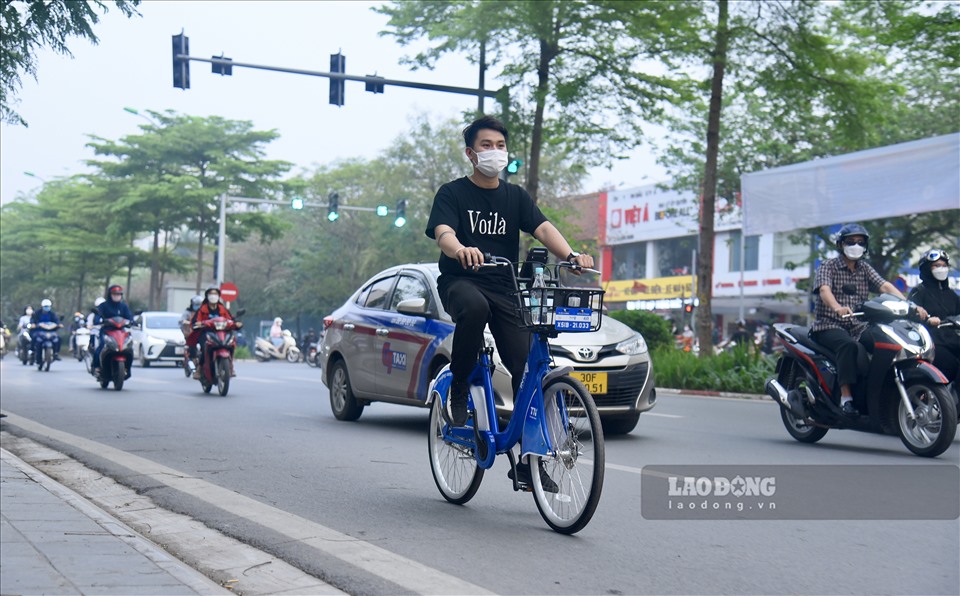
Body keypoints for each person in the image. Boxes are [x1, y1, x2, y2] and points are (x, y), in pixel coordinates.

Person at [425, 115, 594, 490]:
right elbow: (444, 233)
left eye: (500, 146)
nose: (495, 152)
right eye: (486, 146)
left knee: (526, 369)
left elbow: (544, 228)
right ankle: (459, 387)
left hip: (506, 288)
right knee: (475, 308)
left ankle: (528, 462)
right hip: (462, 280)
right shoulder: (452, 193)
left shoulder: (514, 196)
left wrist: (570, 255)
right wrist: (461, 250)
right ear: (471, 153)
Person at [809, 223, 926, 416]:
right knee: (849, 346)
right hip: (829, 325)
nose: (855, 246)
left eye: (860, 242)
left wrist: (910, 306)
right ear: (840, 245)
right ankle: (846, 398)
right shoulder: (828, 266)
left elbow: (885, 287)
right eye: (850, 242)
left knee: (887, 344)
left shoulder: (864, 268)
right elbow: (824, 290)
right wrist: (837, 307)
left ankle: (880, 392)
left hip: (858, 326)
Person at [909, 249, 960, 383]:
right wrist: (927, 320)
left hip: (952, 340)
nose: (941, 269)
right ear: (926, 269)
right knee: (949, 363)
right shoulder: (918, 292)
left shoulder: (952, 295)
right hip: (931, 343)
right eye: (936, 266)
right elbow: (910, 315)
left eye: (944, 266)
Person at [187, 286, 240, 378]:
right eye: (211, 294)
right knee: (205, 346)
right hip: (206, 333)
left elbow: (230, 319)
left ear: (218, 296)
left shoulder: (222, 309)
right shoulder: (202, 309)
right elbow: (195, 321)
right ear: (207, 296)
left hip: (222, 333)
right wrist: (198, 324)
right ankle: (199, 369)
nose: (213, 296)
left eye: (215, 294)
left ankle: (231, 366)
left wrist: (236, 324)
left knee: (231, 343)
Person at [92, 285, 134, 377]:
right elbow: (98, 317)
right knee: (101, 346)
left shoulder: (123, 306)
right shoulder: (103, 306)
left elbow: (129, 317)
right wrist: (99, 320)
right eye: (114, 294)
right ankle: (97, 367)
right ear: (110, 295)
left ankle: (128, 368)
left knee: (129, 348)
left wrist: (132, 322)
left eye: (119, 294)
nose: (116, 296)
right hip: (107, 331)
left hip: (121, 332)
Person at [30, 299, 62, 363]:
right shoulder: (37, 313)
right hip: (39, 331)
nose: (47, 308)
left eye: (48, 306)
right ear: (42, 306)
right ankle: (32, 351)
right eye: (45, 306)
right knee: (35, 338)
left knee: (58, 338)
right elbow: (33, 321)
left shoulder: (52, 314)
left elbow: (56, 321)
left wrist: (59, 325)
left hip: (51, 331)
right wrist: (34, 324)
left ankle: (56, 353)